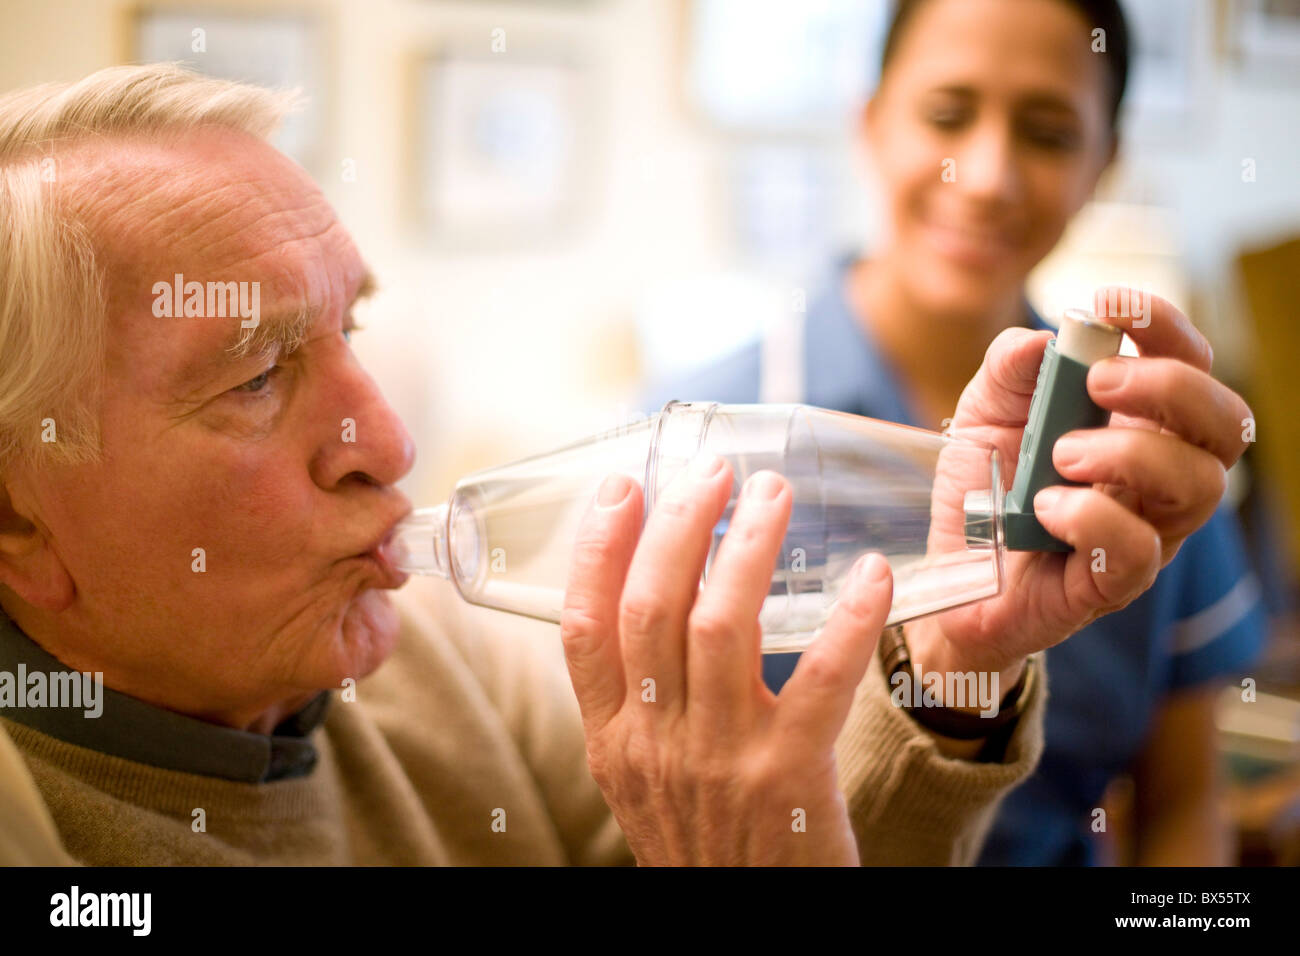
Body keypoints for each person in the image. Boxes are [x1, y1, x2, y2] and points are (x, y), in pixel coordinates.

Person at [0, 63, 1247, 867]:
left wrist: (952, 660)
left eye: (350, 330)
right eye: (257, 374)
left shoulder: (429, 650)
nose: (387, 441)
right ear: (19, 516)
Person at [647, 0, 1268, 865]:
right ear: (868, 123)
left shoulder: (1143, 455)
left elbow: (1184, 807)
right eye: (946, 114)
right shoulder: (692, 440)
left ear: (1106, 163)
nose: (985, 176)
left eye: (1049, 133)